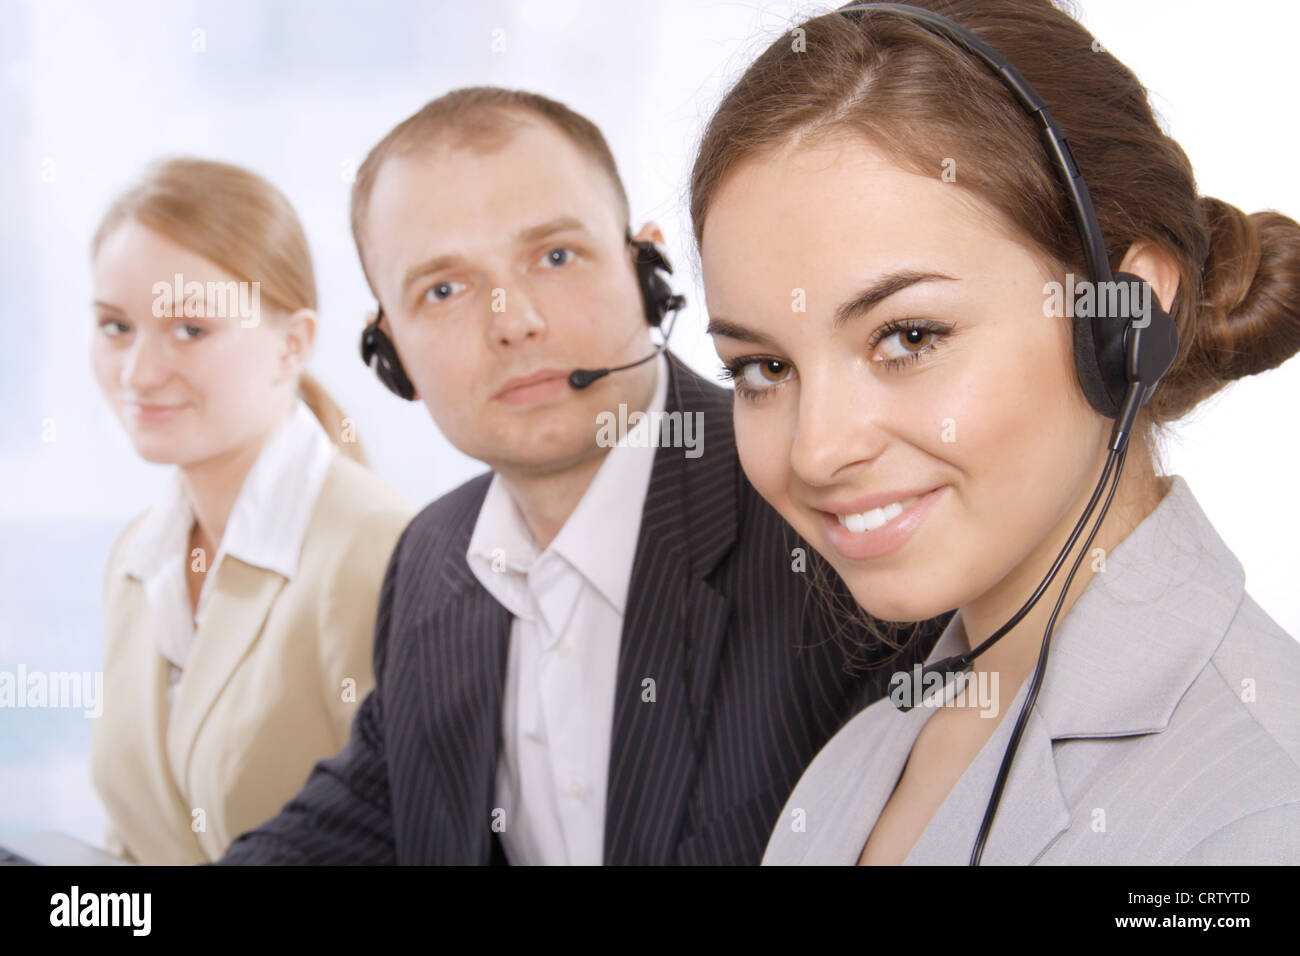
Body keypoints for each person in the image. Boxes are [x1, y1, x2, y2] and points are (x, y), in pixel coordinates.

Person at [218, 87, 946, 866]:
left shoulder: (832, 516)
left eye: (555, 256)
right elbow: (368, 808)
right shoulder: (430, 559)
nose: (513, 320)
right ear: (390, 349)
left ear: (647, 273)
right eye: (444, 289)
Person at [690, 0, 1300, 864]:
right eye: (764, 369)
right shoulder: (855, 761)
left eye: (908, 337)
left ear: (1127, 315)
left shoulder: (1260, 811)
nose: (816, 451)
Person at [89, 157, 414, 864]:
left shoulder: (383, 554)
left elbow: (414, 836)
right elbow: (133, 845)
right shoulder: (136, 557)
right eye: (116, 327)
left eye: (189, 330)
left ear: (291, 344)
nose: (138, 373)